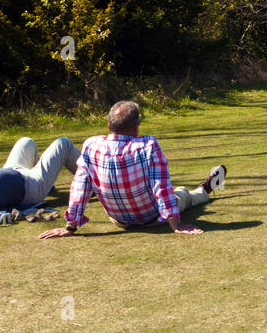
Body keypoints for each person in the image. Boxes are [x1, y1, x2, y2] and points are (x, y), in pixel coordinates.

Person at [38, 99, 225, 240]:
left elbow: (80, 187)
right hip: (152, 217)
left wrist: (70, 227)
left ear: (109, 126)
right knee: (183, 194)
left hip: (118, 220)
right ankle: (204, 190)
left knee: (176, 195)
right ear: (136, 126)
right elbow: (160, 186)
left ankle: (200, 190)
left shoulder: (90, 145)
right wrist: (176, 225)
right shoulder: (148, 145)